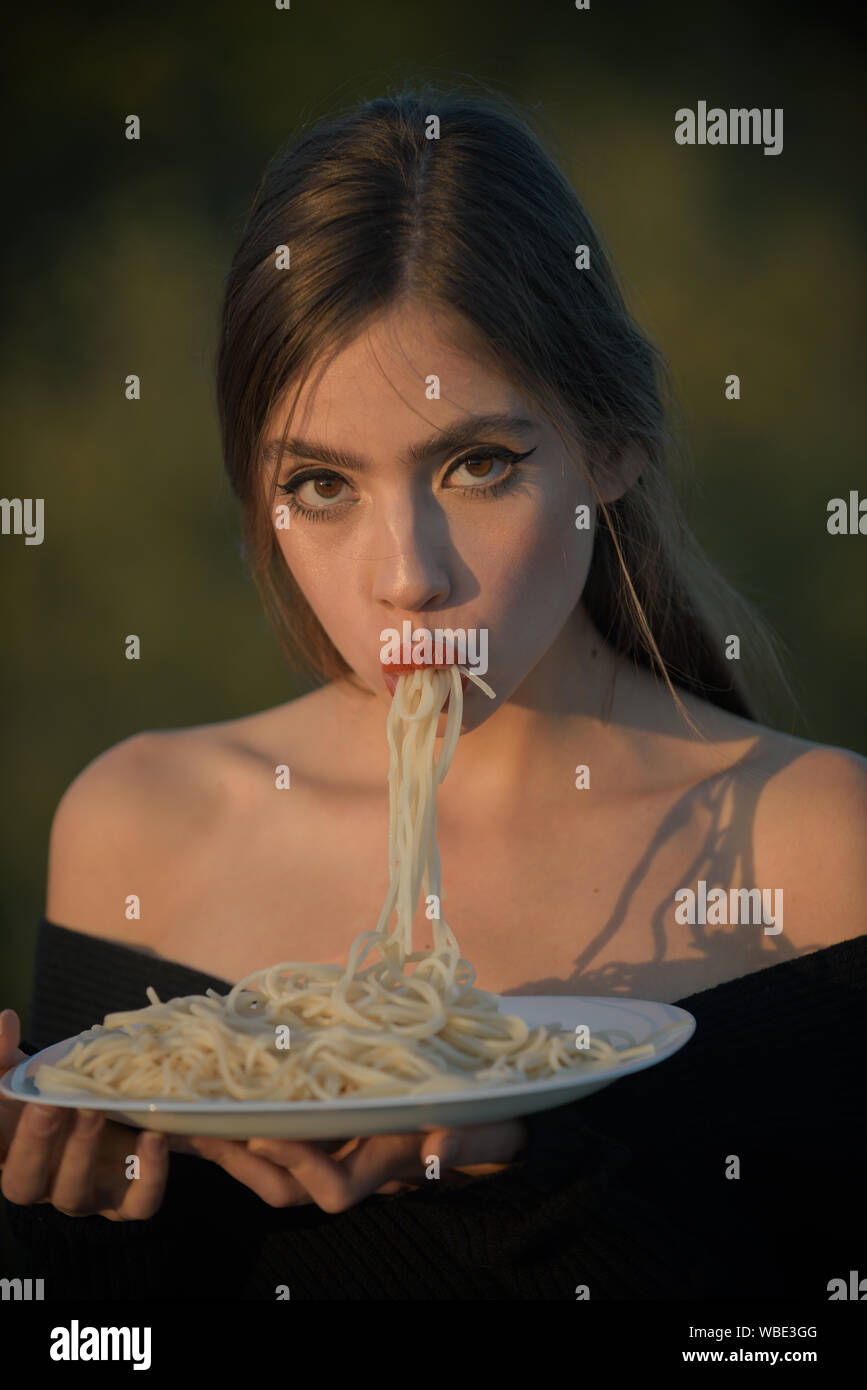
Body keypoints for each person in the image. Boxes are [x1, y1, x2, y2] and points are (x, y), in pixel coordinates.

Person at [2, 81, 865, 1301]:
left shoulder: (826, 849)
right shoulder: (139, 825)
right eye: (320, 485)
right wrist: (77, 1236)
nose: (408, 578)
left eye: (477, 464)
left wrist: (529, 1159)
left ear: (611, 443)